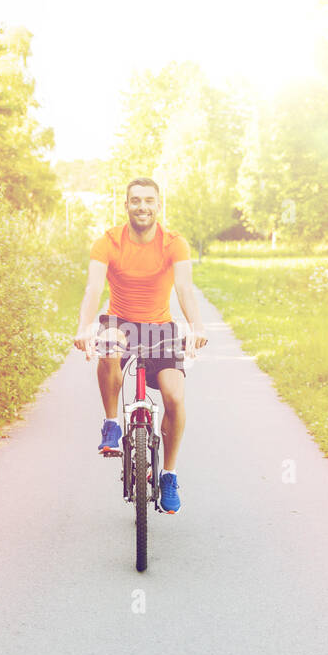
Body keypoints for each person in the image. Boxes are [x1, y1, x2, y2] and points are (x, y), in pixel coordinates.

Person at [73, 177, 208, 513]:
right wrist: (84, 327)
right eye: (136, 201)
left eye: (149, 200)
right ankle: (112, 424)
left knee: (175, 397)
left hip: (160, 328)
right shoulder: (107, 242)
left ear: (158, 205)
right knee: (108, 346)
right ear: (126, 206)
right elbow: (93, 289)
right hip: (119, 323)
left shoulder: (174, 243)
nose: (142, 207)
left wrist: (196, 326)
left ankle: (169, 476)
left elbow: (185, 289)